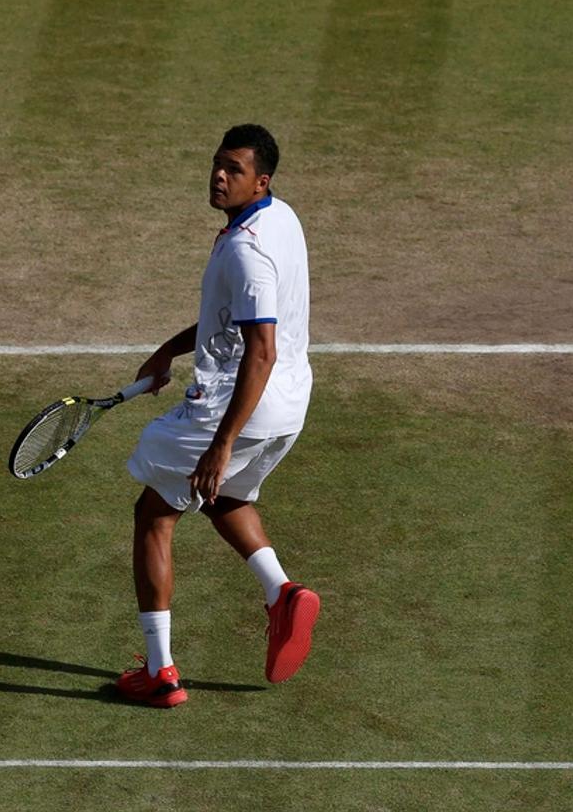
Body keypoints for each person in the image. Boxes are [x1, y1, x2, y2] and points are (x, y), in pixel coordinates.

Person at [116, 124, 320, 708]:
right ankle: (281, 594)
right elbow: (232, 321)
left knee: (155, 512)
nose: (219, 176)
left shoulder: (247, 251)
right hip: (290, 406)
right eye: (216, 164)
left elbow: (261, 348)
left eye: (234, 169)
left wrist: (221, 441)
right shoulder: (280, 219)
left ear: (262, 180)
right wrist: (170, 350)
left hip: (243, 405)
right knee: (223, 495)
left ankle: (159, 673)